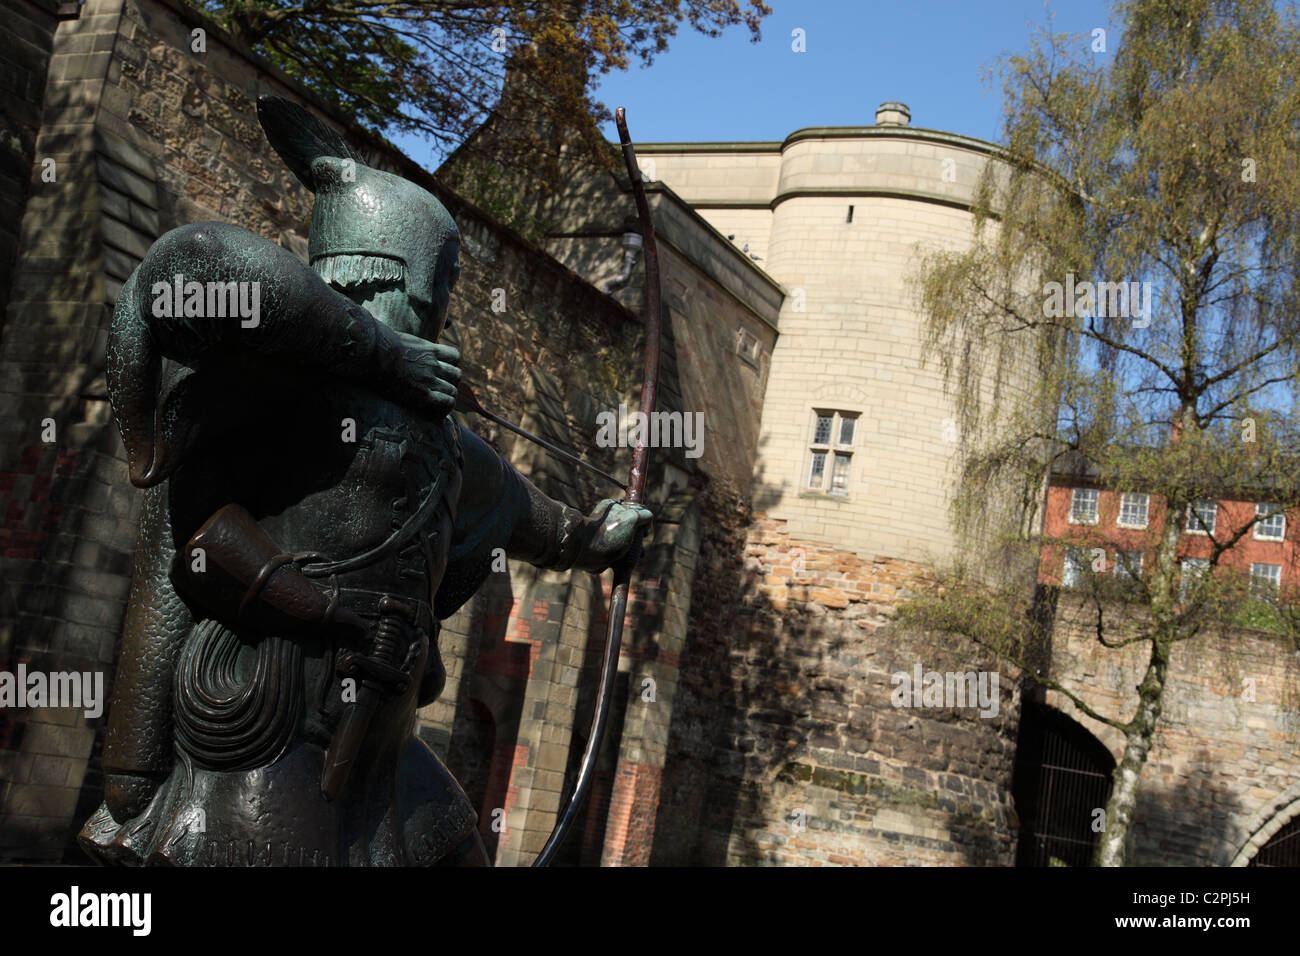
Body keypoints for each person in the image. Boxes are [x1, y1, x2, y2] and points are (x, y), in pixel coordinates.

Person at [78, 96, 650, 866]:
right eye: (444, 278)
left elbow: (536, 520)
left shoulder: (447, 445)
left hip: (379, 742)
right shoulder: (282, 380)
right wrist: (383, 355)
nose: (446, 301)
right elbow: (191, 264)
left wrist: (599, 535)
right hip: (267, 724)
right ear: (410, 278)